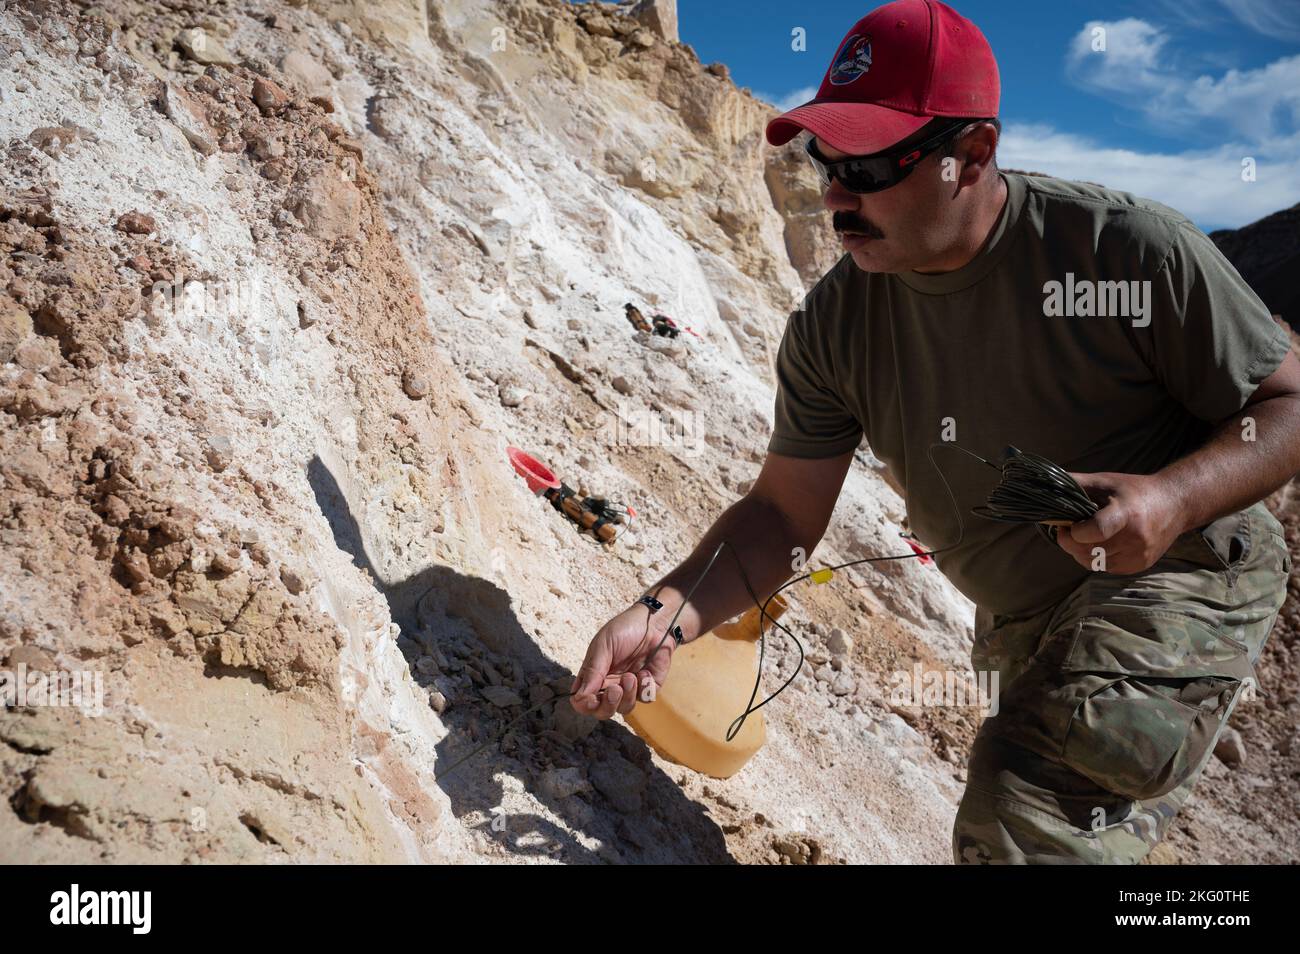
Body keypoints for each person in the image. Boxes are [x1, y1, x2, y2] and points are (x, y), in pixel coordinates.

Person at [571, 0, 1300, 864]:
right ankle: (1155, 771)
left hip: (1183, 562)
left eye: (871, 166)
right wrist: (665, 616)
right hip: (1021, 616)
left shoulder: (1128, 251)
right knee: (1071, 805)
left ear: (974, 154)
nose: (837, 194)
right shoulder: (833, 329)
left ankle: (1152, 710)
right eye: (824, 160)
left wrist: (1172, 499)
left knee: (1024, 800)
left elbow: (1287, 405)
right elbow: (779, 520)